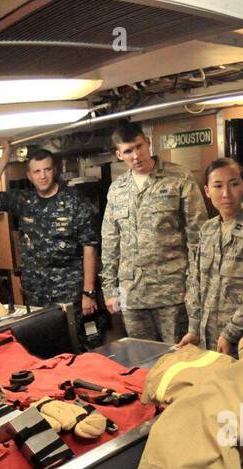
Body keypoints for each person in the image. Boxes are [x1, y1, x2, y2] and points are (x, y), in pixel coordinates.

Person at [100, 121, 207, 343]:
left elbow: (198, 237)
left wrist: (195, 285)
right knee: (143, 359)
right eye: (128, 151)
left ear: (148, 143)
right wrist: (110, 290)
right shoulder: (117, 189)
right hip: (133, 294)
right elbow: (110, 241)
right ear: (119, 154)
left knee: (178, 359)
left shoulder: (179, 178)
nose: (136, 155)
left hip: (173, 291)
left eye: (139, 147)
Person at [0, 142, 99, 319]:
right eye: (37, 171)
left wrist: (89, 292)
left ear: (54, 170)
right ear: (29, 175)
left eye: (47, 170)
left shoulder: (74, 201)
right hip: (36, 295)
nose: (43, 176)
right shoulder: (24, 201)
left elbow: (90, 247)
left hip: (69, 293)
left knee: (78, 343)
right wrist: (4, 159)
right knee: (45, 345)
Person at [179, 158, 243, 355]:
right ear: (207, 191)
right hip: (208, 341)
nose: (226, 194)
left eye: (233, 184)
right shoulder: (207, 229)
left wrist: (230, 334)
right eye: (218, 186)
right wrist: (194, 329)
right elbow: (195, 282)